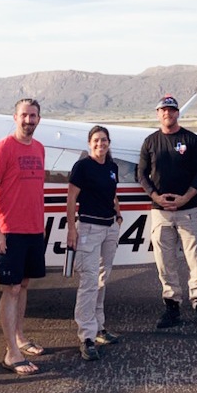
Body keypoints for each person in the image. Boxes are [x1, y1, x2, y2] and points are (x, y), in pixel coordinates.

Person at [138, 95, 197, 330]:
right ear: (157, 113)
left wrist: (185, 197)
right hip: (160, 211)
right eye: (163, 110)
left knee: (195, 259)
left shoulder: (191, 140)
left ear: (177, 113)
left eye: (171, 110)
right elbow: (141, 174)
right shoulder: (150, 142)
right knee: (164, 261)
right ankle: (172, 305)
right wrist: (155, 196)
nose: (167, 114)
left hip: (188, 210)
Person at [0, 98, 46, 375]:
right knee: (12, 289)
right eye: (24, 115)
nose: (28, 120)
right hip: (11, 230)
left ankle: (19, 337)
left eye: (33, 116)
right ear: (15, 117)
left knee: (24, 285)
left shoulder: (40, 148)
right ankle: (11, 352)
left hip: (34, 229)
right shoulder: (2, 149)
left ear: (38, 119)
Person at [66, 125, 123, 361]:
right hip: (88, 228)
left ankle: (99, 327)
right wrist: (72, 229)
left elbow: (112, 194)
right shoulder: (82, 167)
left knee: (102, 279)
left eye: (104, 140)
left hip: (109, 227)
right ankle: (86, 337)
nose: (101, 144)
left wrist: (118, 216)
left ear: (109, 143)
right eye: (97, 140)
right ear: (90, 143)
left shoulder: (112, 167)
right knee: (89, 282)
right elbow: (71, 198)